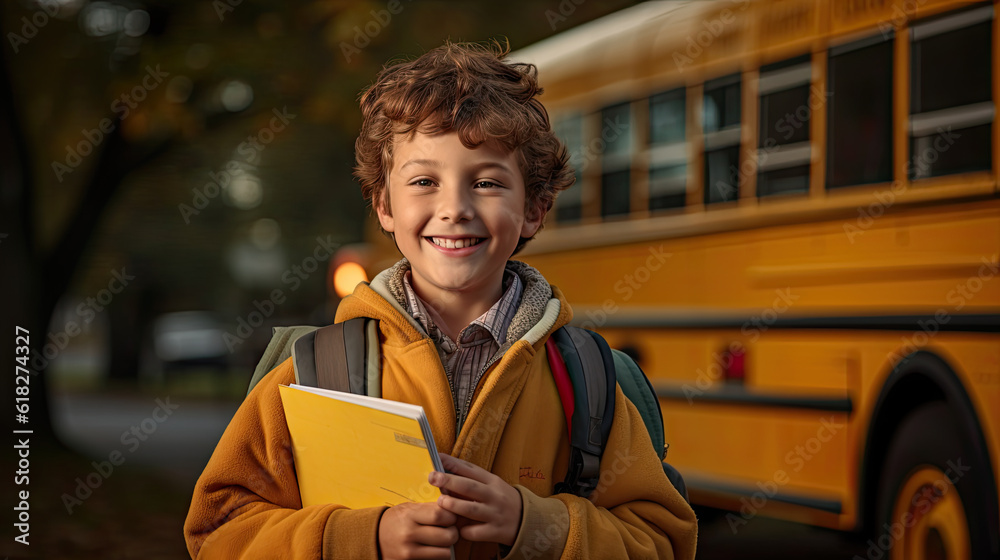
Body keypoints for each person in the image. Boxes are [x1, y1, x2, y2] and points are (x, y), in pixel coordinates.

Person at [184, 41, 697, 560]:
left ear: (534, 210)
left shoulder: (586, 381)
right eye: (424, 181)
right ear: (384, 205)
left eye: (487, 182)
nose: (454, 208)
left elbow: (663, 540)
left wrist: (532, 524)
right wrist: (361, 538)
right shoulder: (315, 371)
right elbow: (218, 532)